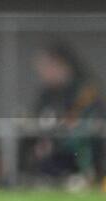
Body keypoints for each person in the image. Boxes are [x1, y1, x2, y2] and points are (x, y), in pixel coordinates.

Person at [24, 43, 104, 186]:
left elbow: (93, 120)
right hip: (53, 150)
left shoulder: (84, 90)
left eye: (47, 67)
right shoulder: (46, 95)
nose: (43, 72)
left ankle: (86, 178)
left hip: (80, 147)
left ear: (60, 64)